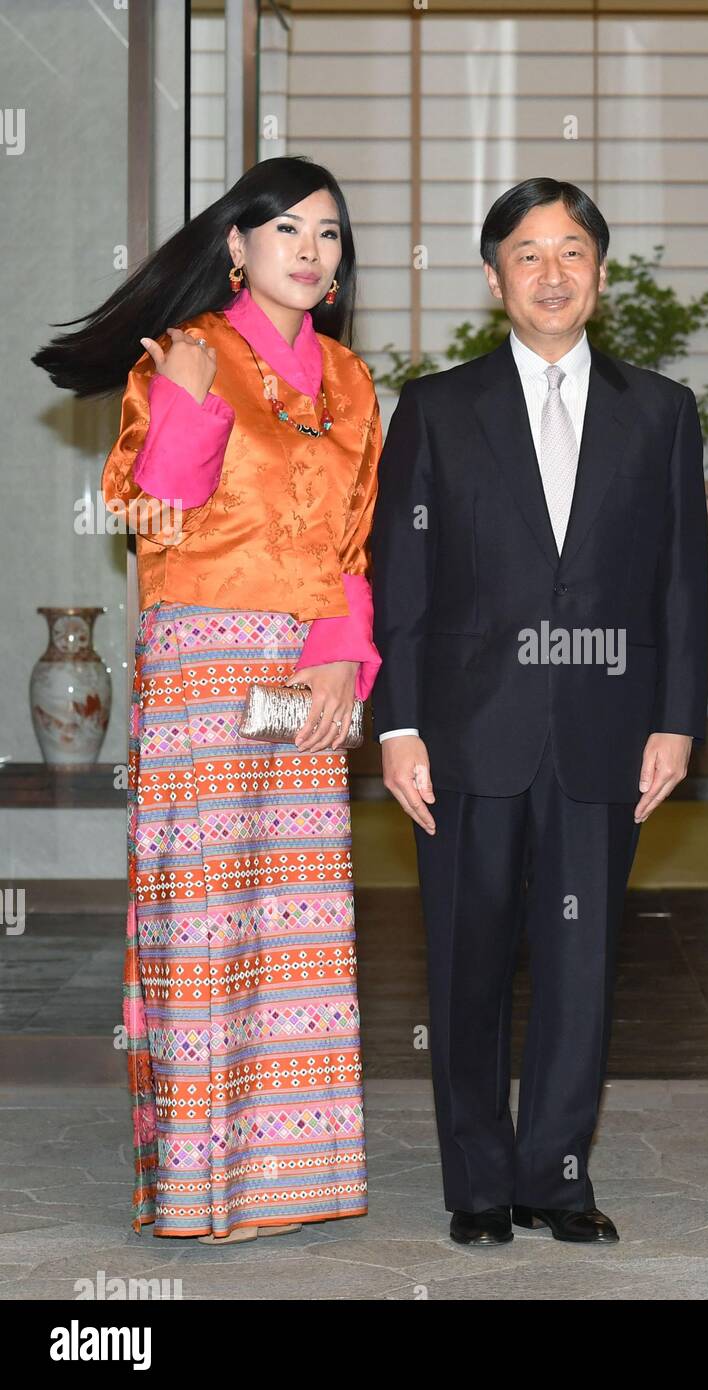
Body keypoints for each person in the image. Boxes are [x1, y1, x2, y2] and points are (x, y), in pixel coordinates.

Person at [33, 156, 381, 1243]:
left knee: (298, 917)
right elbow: (156, 515)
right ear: (236, 246)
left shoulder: (352, 380)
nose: (311, 250)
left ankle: (295, 1177)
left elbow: (354, 542)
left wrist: (341, 661)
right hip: (203, 670)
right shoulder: (188, 354)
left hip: (303, 673)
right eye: (287, 229)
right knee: (207, 918)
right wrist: (183, 397)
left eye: (328, 233)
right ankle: (201, 1182)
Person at [372, 178, 708, 1245]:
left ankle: (556, 1175)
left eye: (572, 253)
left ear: (600, 277)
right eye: (527, 253)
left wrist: (674, 718)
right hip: (469, 734)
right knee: (466, 961)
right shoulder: (435, 406)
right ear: (492, 276)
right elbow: (403, 582)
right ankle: (477, 1182)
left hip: (605, 732)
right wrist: (398, 724)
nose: (551, 273)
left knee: (581, 965)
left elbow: (679, 581)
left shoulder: (658, 410)